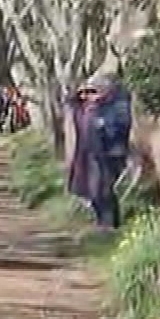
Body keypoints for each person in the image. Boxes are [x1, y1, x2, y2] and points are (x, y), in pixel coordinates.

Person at [67, 73, 132, 229]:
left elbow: (121, 126)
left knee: (105, 190)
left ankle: (110, 224)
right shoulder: (85, 110)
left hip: (109, 154)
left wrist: (103, 125)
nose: (87, 96)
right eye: (84, 93)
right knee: (92, 191)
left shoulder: (114, 107)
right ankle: (101, 222)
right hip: (88, 155)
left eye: (92, 92)